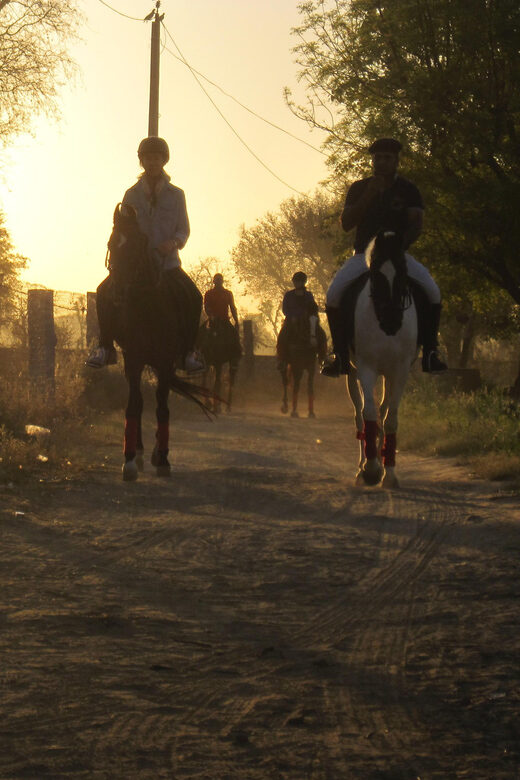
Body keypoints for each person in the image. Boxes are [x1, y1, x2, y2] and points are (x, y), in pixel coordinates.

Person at [321, 137, 447, 377]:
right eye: (377, 158)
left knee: (433, 291)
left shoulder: (408, 189)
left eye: (387, 158)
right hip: (363, 257)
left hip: (398, 256)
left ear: (396, 161)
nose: (381, 162)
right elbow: (346, 223)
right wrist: (368, 195)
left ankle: (431, 351)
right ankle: (339, 355)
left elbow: (416, 224)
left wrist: (398, 246)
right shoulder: (359, 188)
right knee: (333, 295)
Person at [87, 136, 204, 373]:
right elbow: (123, 226)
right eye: (148, 158)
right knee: (103, 292)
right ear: (142, 161)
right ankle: (105, 347)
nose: (152, 162)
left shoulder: (176, 195)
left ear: (164, 161)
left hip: (167, 263)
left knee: (194, 297)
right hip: (135, 264)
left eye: (156, 158)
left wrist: (173, 242)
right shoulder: (131, 195)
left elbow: (184, 229)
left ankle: (188, 353)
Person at [276, 271, 327, 368]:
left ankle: (323, 358)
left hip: (306, 320)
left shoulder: (308, 295)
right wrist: (292, 316)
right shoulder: (288, 295)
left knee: (321, 334)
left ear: (303, 282)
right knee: (282, 336)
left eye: (298, 281)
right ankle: (281, 359)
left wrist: (307, 314)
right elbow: (285, 309)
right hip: (291, 320)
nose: (296, 283)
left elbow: (312, 308)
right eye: (295, 281)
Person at [203, 273, 242, 364]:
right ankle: (203, 356)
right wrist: (211, 316)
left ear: (222, 281)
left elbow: (232, 307)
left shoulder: (228, 293)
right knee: (203, 337)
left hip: (225, 321)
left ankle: (236, 356)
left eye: (220, 280)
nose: (218, 282)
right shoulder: (208, 294)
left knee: (234, 335)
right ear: (214, 281)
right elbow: (207, 307)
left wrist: (236, 320)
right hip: (213, 322)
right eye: (217, 280)